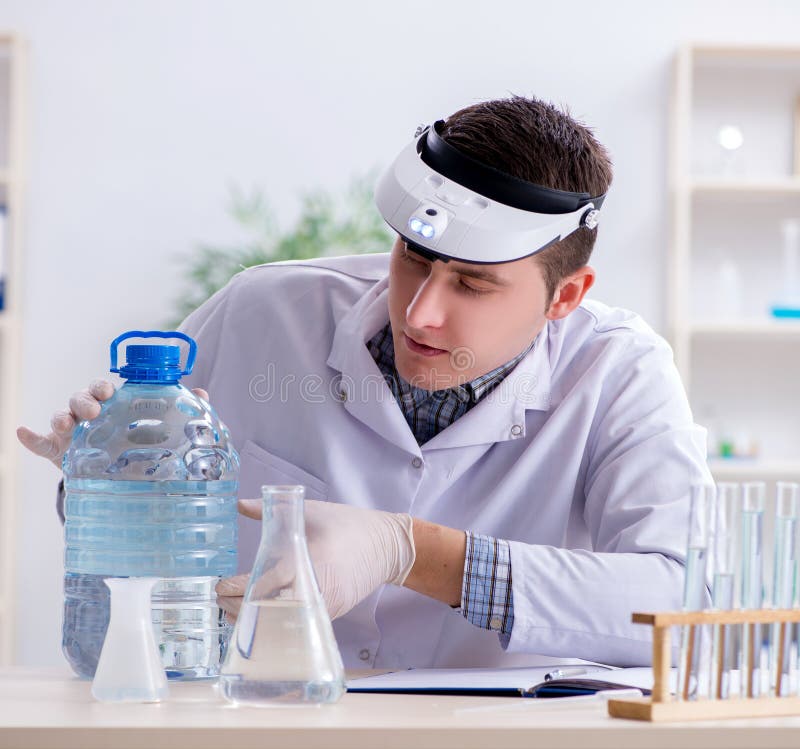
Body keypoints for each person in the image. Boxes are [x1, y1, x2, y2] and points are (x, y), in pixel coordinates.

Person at [19, 95, 710, 670]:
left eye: (472, 283)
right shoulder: (262, 312)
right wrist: (100, 480)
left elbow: (684, 605)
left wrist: (409, 550)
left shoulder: (619, 372)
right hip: (263, 721)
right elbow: (122, 526)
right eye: (415, 255)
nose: (420, 310)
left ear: (566, 295)